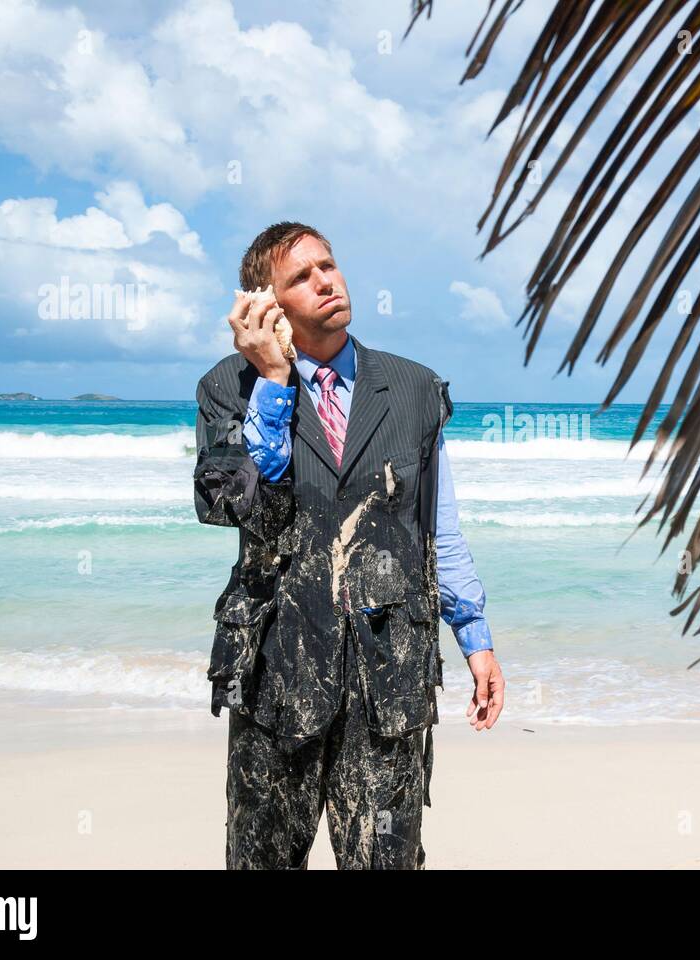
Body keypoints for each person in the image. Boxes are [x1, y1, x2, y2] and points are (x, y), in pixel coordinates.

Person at [193, 222, 505, 869]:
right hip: (277, 669)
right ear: (267, 304)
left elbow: (436, 524)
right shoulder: (229, 388)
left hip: (389, 671)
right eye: (301, 277)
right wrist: (275, 383)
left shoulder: (414, 389)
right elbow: (228, 505)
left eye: (328, 266)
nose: (326, 281)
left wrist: (474, 635)